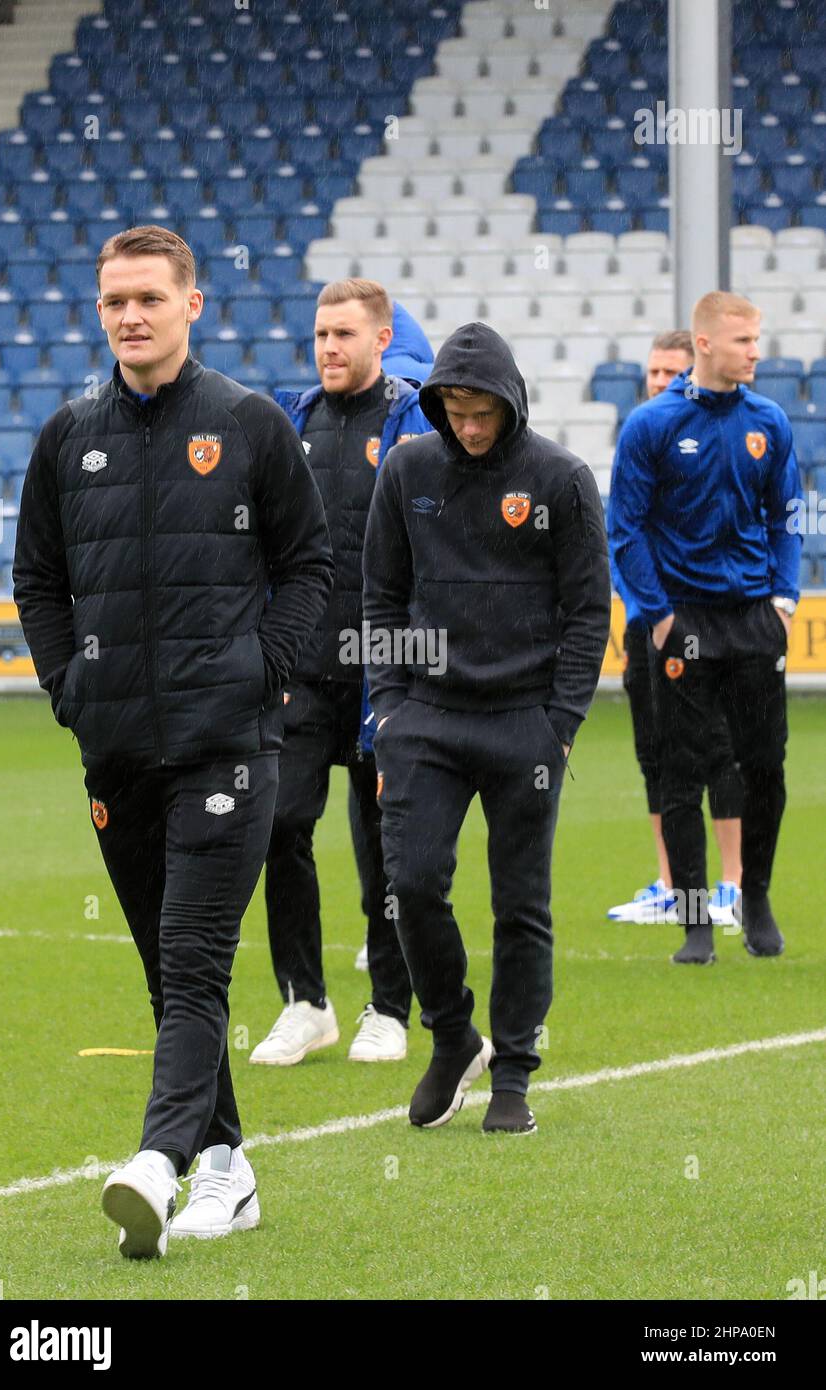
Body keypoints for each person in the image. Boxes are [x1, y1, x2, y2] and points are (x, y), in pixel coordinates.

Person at [12, 226, 334, 1257]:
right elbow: (37, 580)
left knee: (193, 963)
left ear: (192, 304)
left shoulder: (246, 424)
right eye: (114, 301)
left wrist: (260, 671)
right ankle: (227, 1169)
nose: (130, 316)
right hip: (115, 752)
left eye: (149, 297)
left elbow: (310, 564)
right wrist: (73, 691)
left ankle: (156, 1159)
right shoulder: (67, 435)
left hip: (226, 745)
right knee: (168, 970)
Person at [364, 322, 610, 1133]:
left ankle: (512, 1073)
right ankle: (450, 1036)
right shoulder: (407, 470)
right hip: (426, 719)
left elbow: (587, 612)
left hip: (523, 724)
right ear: (436, 406)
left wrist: (561, 725)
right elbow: (380, 598)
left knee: (520, 906)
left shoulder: (562, 479)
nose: (469, 429)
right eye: (456, 413)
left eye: (483, 414)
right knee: (412, 885)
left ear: (510, 402)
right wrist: (390, 708)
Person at [250, 280, 432, 1067]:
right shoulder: (292, 422)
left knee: (386, 841)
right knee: (280, 823)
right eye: (321, 332)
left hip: (386, 667)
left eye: (344, 334)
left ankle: (389, 1006)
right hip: (304, 665)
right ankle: (305, 1002)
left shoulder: (414, 424)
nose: (328, 346)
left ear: (382, 339)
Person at [610, 291, 801, 965]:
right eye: (745, 340)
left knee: (764, 768)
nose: (757, 350)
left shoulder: (769, 422)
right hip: (682, 621)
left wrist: (784, 598)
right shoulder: (652, 425)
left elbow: (786, 517)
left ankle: (754, 899)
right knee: (681, 770)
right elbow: (624, 528)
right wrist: (659, 616)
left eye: (758, 338)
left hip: (753, 620)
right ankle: (695, 922)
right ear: (707, 345)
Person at [607, 330, 743, 926]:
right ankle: (671, 885)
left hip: (706, 619)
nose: (660, 381)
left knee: (719, 752)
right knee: (655, 754)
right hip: (646, 619)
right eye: (654, 372)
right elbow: (624, 530)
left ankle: (733, 888)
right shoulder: (641, 439)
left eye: (672, 371)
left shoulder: (717, 442)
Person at [351, 301, 435, 971]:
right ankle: (386, 926)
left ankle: (409, 926)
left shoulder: (429, 437)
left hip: (421, 642)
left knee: (401, 785)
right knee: (365, 783)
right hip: (359, 637)